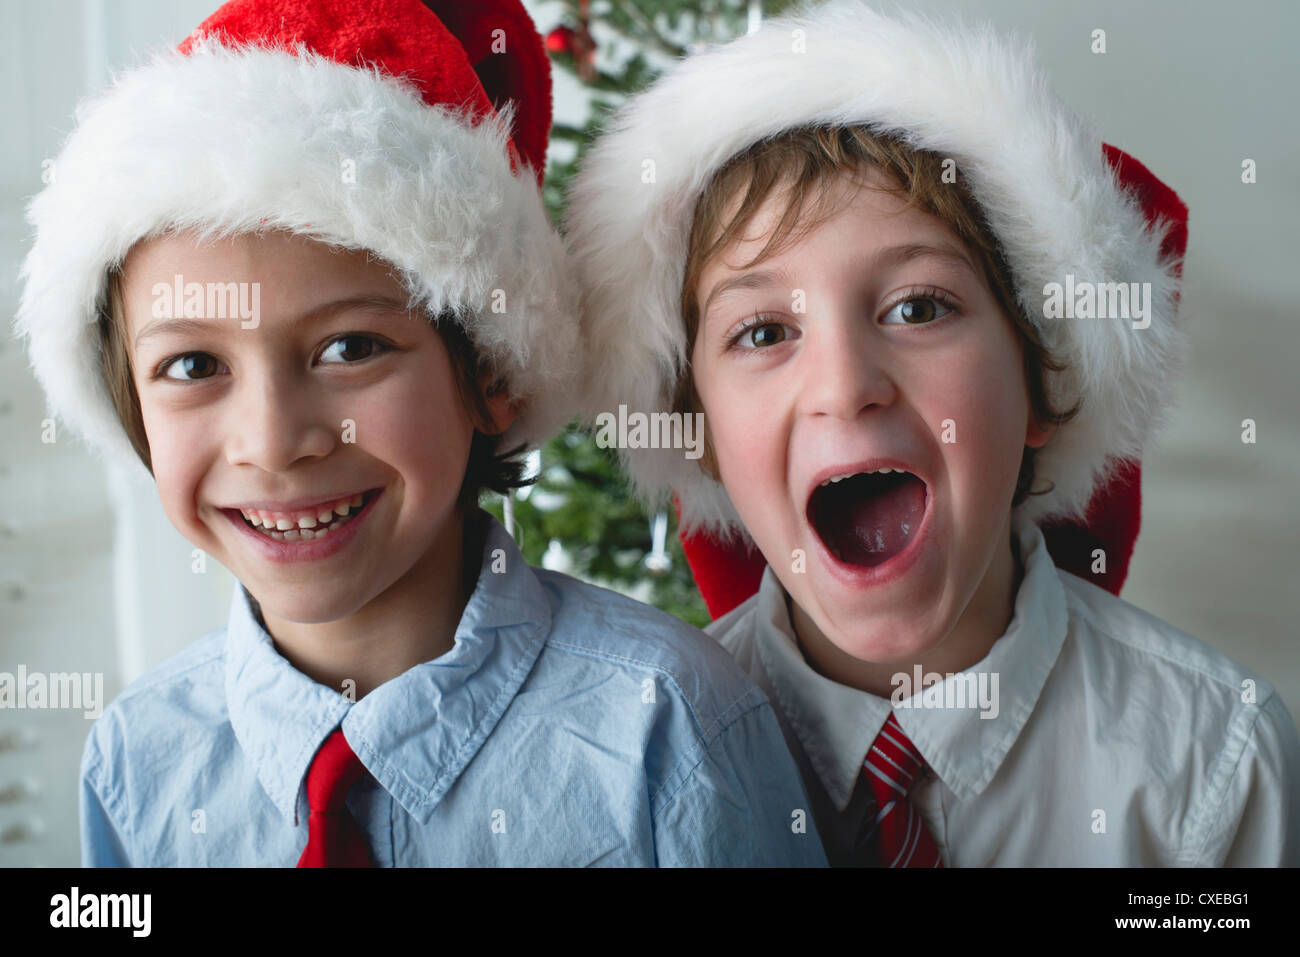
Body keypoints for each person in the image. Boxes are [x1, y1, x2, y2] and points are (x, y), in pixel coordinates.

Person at [15, 0, 825, 868]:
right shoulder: (135, 763)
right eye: (191, 366)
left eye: (349, 348)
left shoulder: (671, 726)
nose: (273, 440)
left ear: (493, 377)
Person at [564, 0, 1300, 865]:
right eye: (763, 332)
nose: (845, 386)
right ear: (698, 431)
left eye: (918, 307)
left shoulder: (1212, 764)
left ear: (1040, 385)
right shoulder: (627, 761)